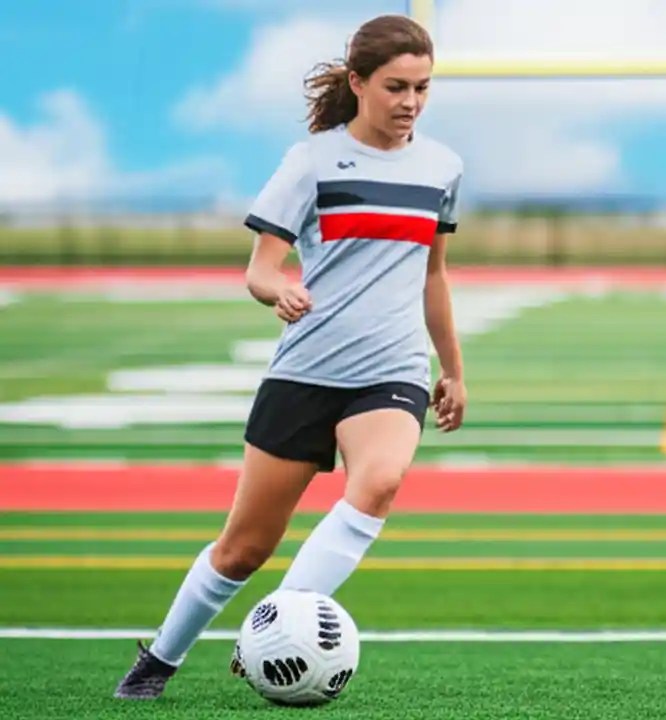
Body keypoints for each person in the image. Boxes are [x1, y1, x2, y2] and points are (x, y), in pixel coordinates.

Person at [114, 14, 466, 700]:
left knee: (381, 481)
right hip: (304, 372)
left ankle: (274, 630)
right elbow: (261, 269)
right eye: (396, 87)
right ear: (359, 83)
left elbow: (433, 274)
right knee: (243, 550)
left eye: (423, 89)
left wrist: (452, 367)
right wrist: (279, 289)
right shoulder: (310, 162)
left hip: (392, 370)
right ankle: (157, 659)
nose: (411, 104)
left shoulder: (443, 167)